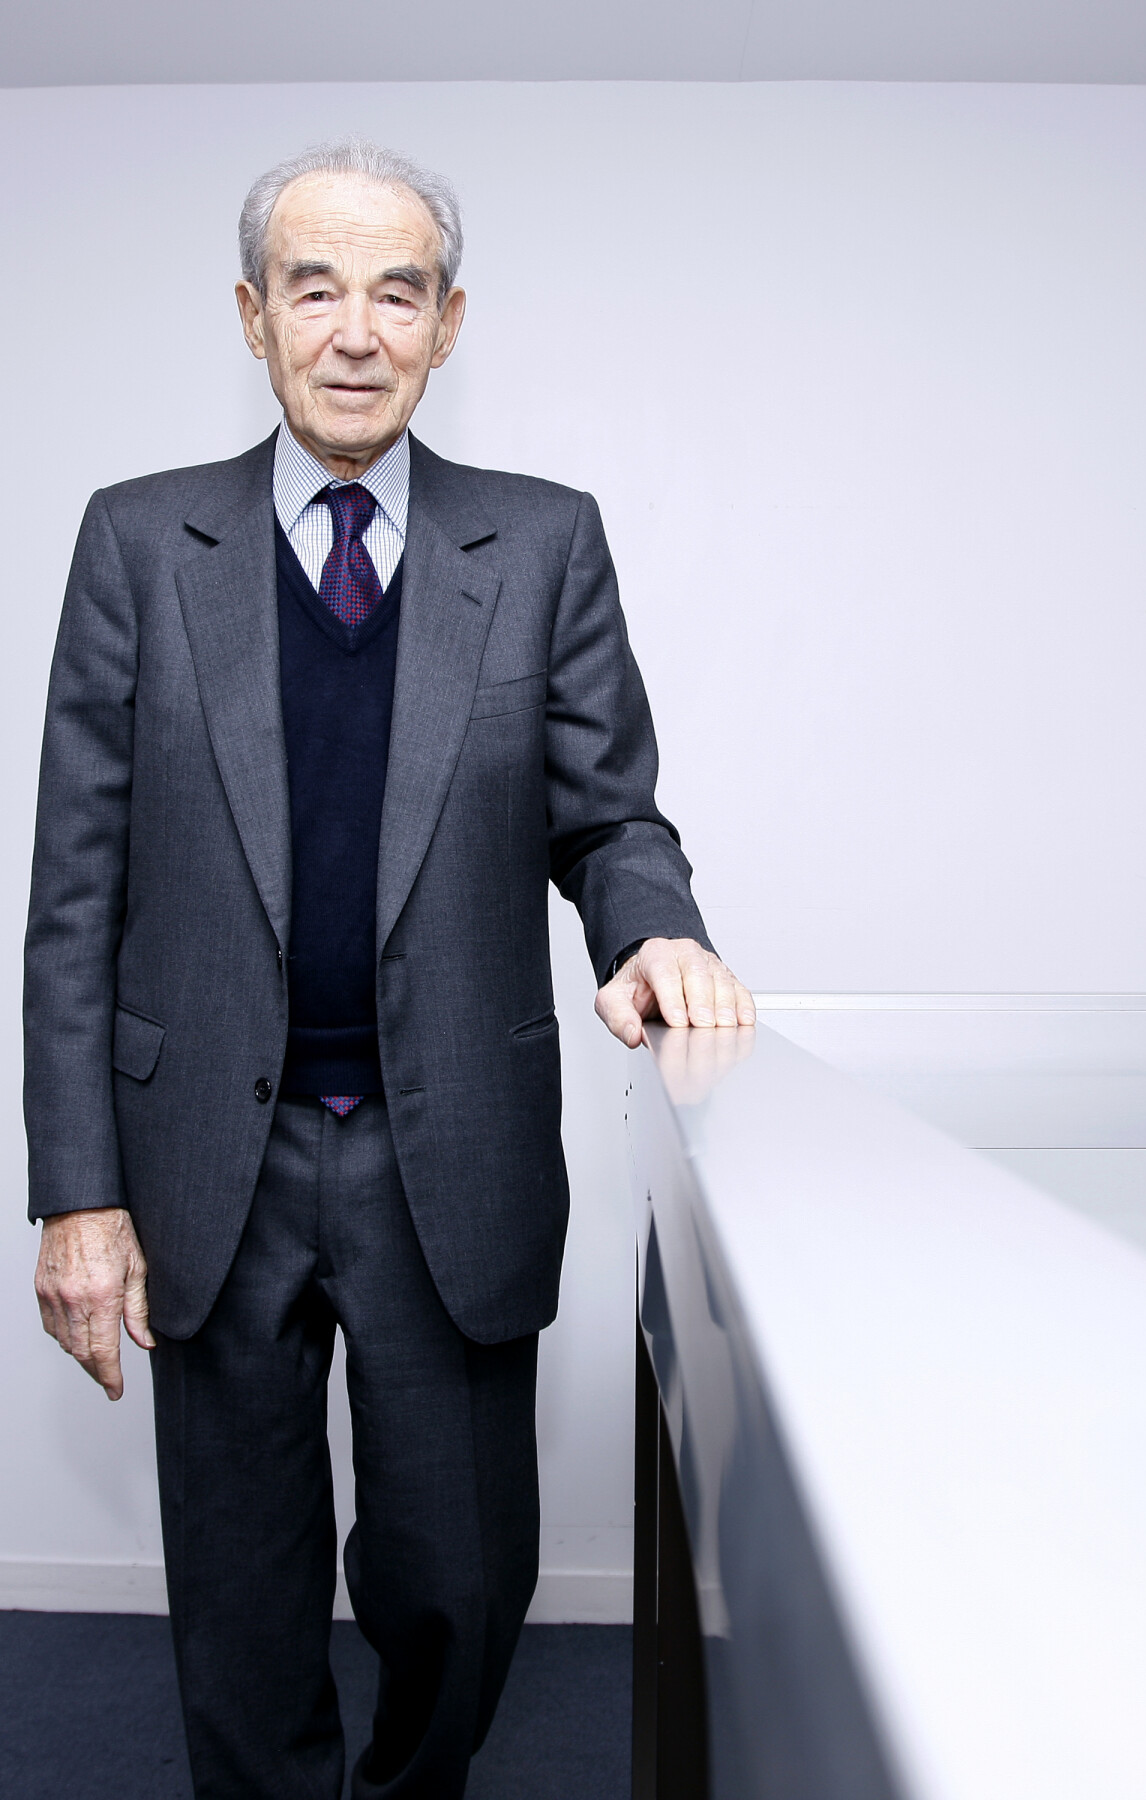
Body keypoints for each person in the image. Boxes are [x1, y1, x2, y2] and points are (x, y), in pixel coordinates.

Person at [24, 139, 754, 1800]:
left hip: (453, 1151)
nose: (355, 328)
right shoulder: (138, 545)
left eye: (397, 291)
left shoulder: (545, 544)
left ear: (447, 322)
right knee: (238, 1596)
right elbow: (75, 893)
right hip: (207, 1153)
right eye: (315, 285)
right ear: (253, 313)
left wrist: (657, 926)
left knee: (462, 1580)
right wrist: (76, 1192)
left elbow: (612, 812)